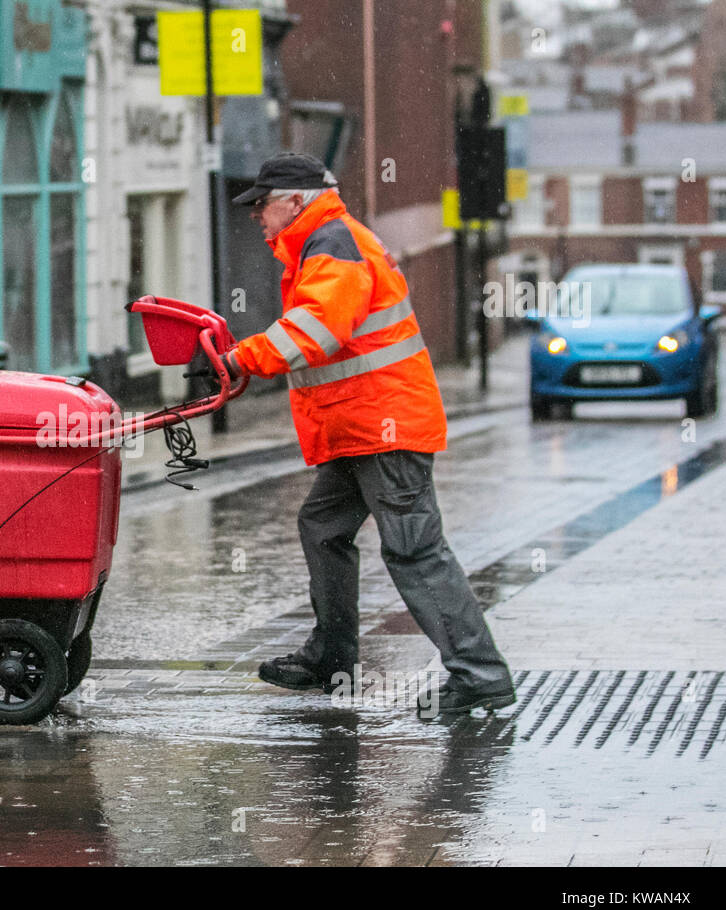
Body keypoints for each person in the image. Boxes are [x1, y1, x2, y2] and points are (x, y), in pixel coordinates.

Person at [220, 152, 515, 716]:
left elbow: (315, 332)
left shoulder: (333, 245)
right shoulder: (324, 244)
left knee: (415, 553)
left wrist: (240, 358)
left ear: (296, 201)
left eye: (263, 204)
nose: (257, 214)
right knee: (323, 527)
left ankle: (480, 675)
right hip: (364, 429)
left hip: (385, 428)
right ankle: (332, 656)